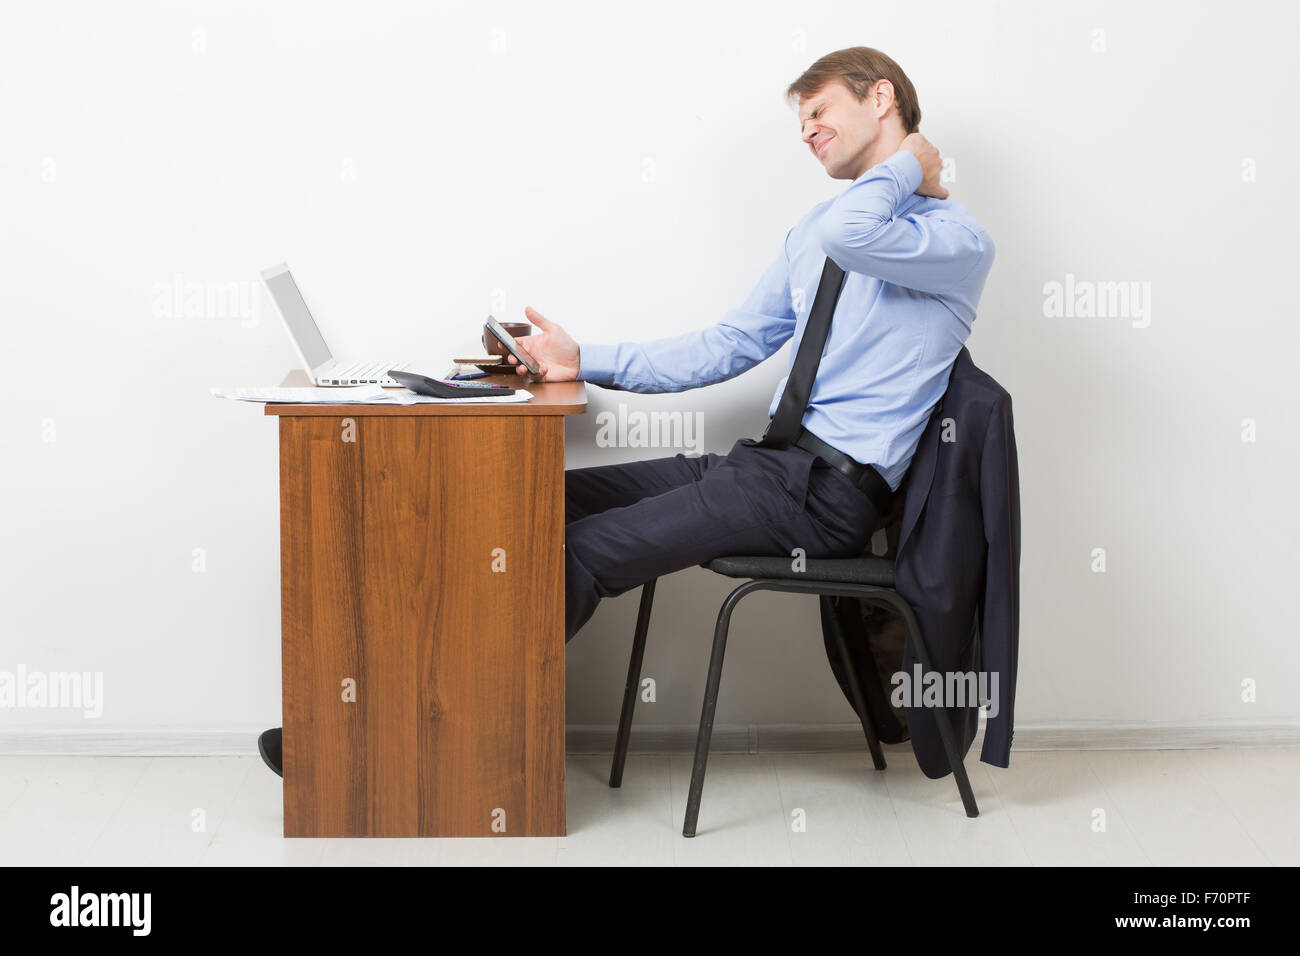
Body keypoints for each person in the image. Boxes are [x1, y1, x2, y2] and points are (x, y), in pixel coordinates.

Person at [258, 46, 994, 777]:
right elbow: (730, 343)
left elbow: (855, 232)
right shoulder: (813, 234)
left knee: (572, 556)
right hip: (766, 470)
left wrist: (912, 167)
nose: (805, 131)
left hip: (825, 497)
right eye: (799, 121)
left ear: (882, 98)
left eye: (818, 110)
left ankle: (384, 736)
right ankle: (360, 705)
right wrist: (584, 362)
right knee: (529, 502)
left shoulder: (953, 241)